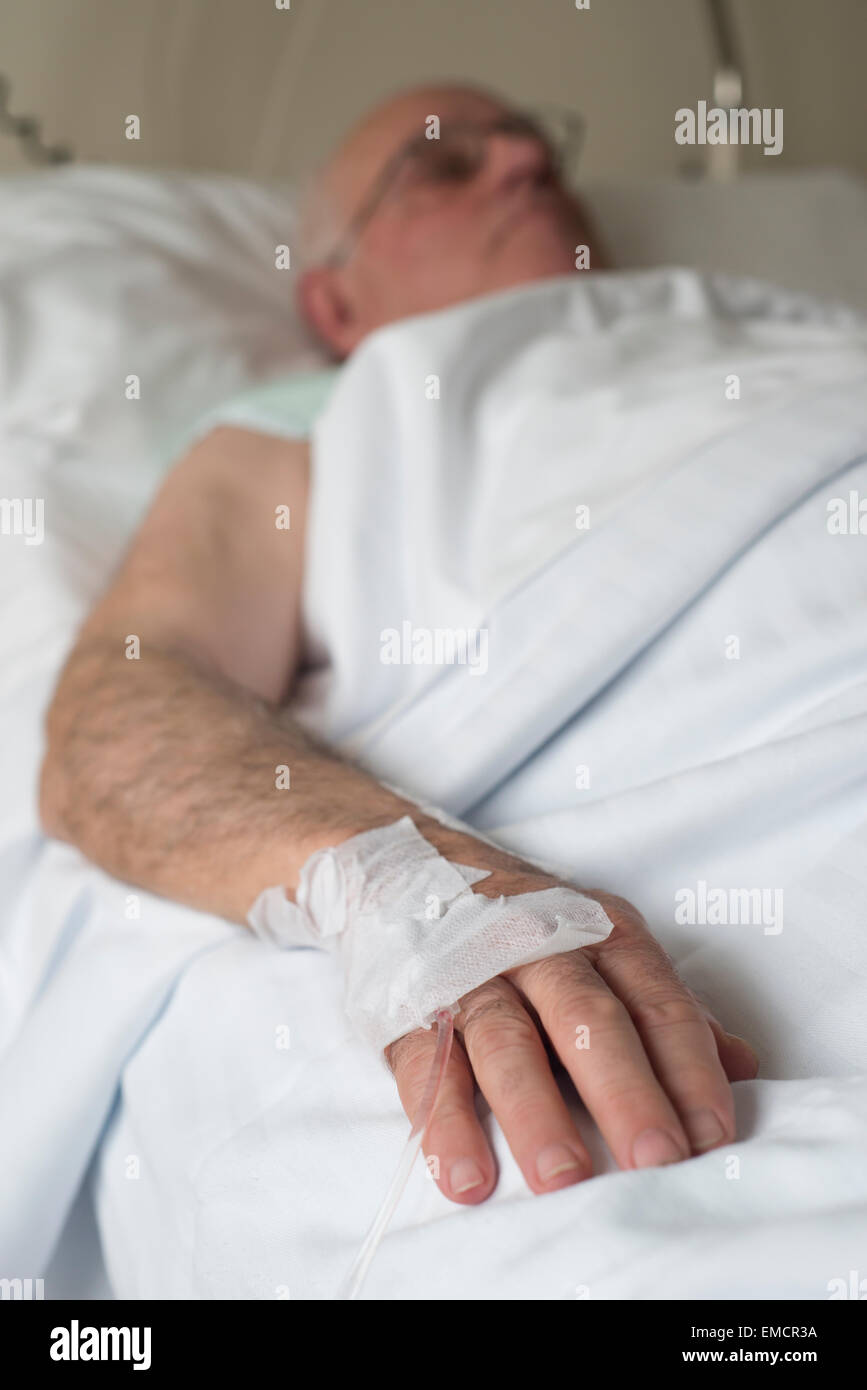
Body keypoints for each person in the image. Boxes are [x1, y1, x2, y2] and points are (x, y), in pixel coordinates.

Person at [38, 83, 757, 1210]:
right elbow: (122, 703)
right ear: (335, 304)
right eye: (440, 163)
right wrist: (414, 892)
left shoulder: (791, 327)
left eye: (536, 138)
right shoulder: (314, 417)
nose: (524, 154)